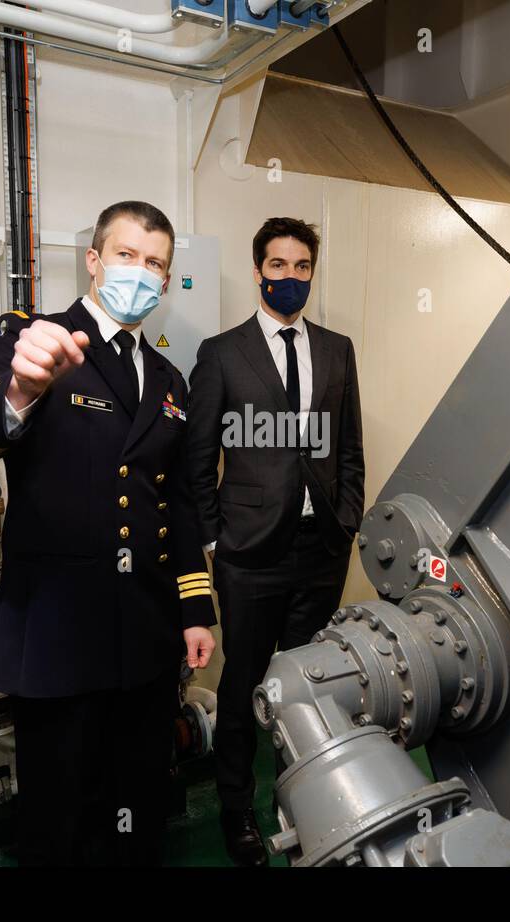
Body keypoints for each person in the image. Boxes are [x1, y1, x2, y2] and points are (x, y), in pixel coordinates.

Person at [0, 200, 216, 866]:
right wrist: (19, 391)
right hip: (58, 636)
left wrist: (196, 609)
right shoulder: (33, 337)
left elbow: (177, 506)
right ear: (94, 261)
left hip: (146, 639)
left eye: (156, 264)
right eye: (127, 256)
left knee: (139, 811)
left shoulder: (172, 383)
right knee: (56, 821)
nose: (141, 274)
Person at [186, 217, 365, 865]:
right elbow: (198, 462)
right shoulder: (222, 354)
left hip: (322, 550)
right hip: (250, 556)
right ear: (259, 269)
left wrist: (347, 519)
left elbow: (349, 448)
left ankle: (304, 805)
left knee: (311, 685)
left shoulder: (337, 348)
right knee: (241, 690)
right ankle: (238, 813)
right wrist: (214, 543)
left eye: (302, 267)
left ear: (312, 271)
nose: (291, 277)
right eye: (279, 265)